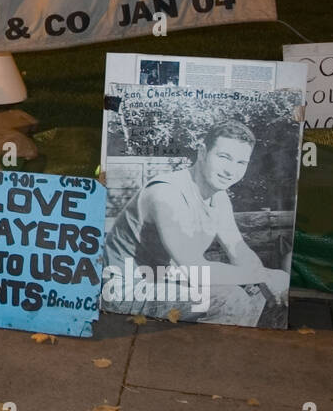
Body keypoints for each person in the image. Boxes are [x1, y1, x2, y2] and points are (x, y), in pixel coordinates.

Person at [102, 120, 288, 325]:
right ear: (202, 152)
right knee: (230, 298)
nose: (231, 171)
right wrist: (261, 275)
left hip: (162, 279)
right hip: (124, 288)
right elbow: (194, 270)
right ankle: (202, 355)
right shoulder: (166, 193)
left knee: (262, 291)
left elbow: (239, 251)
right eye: (224, 157)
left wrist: (267, 279)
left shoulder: (219, 198)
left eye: (240, 163)